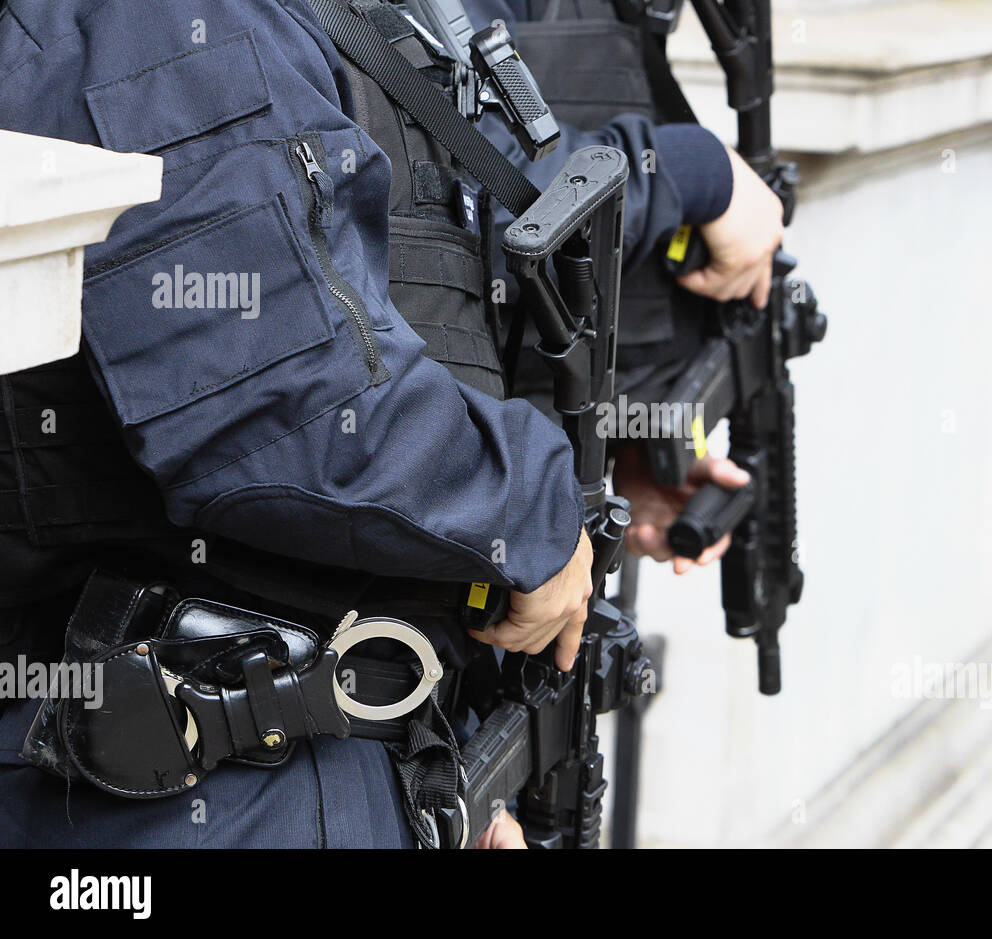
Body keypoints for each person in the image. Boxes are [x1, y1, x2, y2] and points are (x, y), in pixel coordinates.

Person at [0, 0, 600, 849]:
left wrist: (438, 771)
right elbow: (285, 417)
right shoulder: (158, 16)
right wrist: (533, 514)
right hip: (192, 778)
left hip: (335, 756)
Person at [463, 0, 784, 568]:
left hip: (548, 494)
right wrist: (700, 174)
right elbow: (469, 209)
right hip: (466, 516)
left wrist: (627, 444)